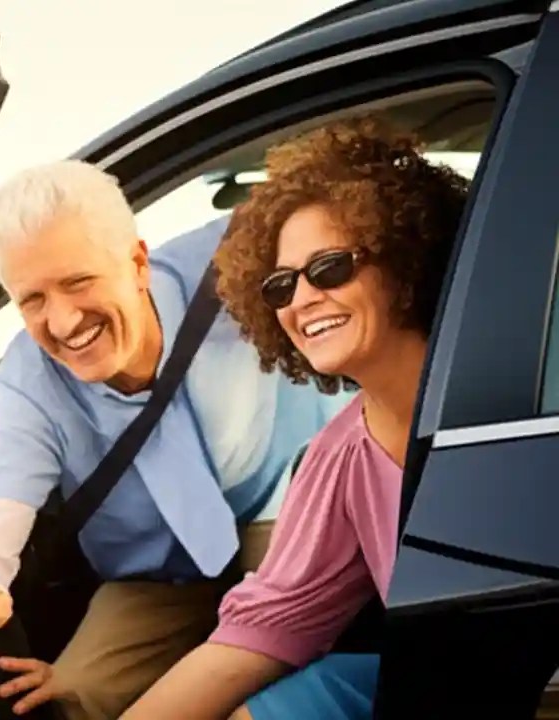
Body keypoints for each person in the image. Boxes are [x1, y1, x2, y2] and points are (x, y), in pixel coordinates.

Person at [0, 160, 351, 720]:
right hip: (158, 575)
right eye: (31, 299)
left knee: (271, 681)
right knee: (67, 697)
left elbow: (353, 228)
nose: (60, 321)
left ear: (136, 263)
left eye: (78, 282)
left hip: (283, 514)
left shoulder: (234, 260)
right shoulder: (28, 379)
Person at [119, 116, 468, 719]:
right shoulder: (341, 460)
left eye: (330, 268)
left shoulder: (527, 381)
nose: (302, 299)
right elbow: (260, 630)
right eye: (280, 285)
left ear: (407, 259)